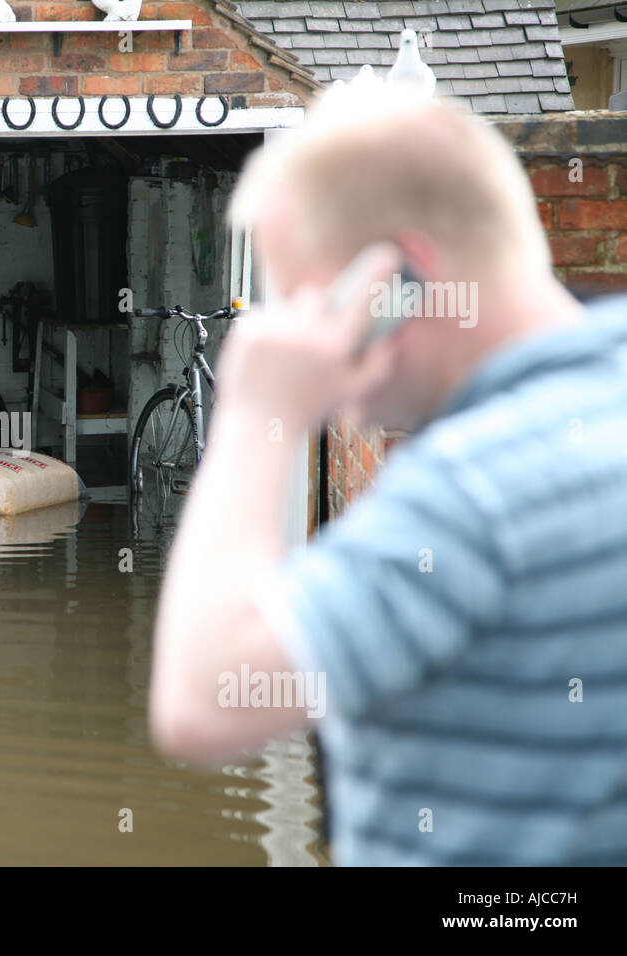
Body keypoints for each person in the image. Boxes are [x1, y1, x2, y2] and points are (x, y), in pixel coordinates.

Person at [147, 84, 627, 865]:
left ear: (397, 281)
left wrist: (254, 410)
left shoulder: (471, 493)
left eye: (311, 307)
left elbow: (203, 699)